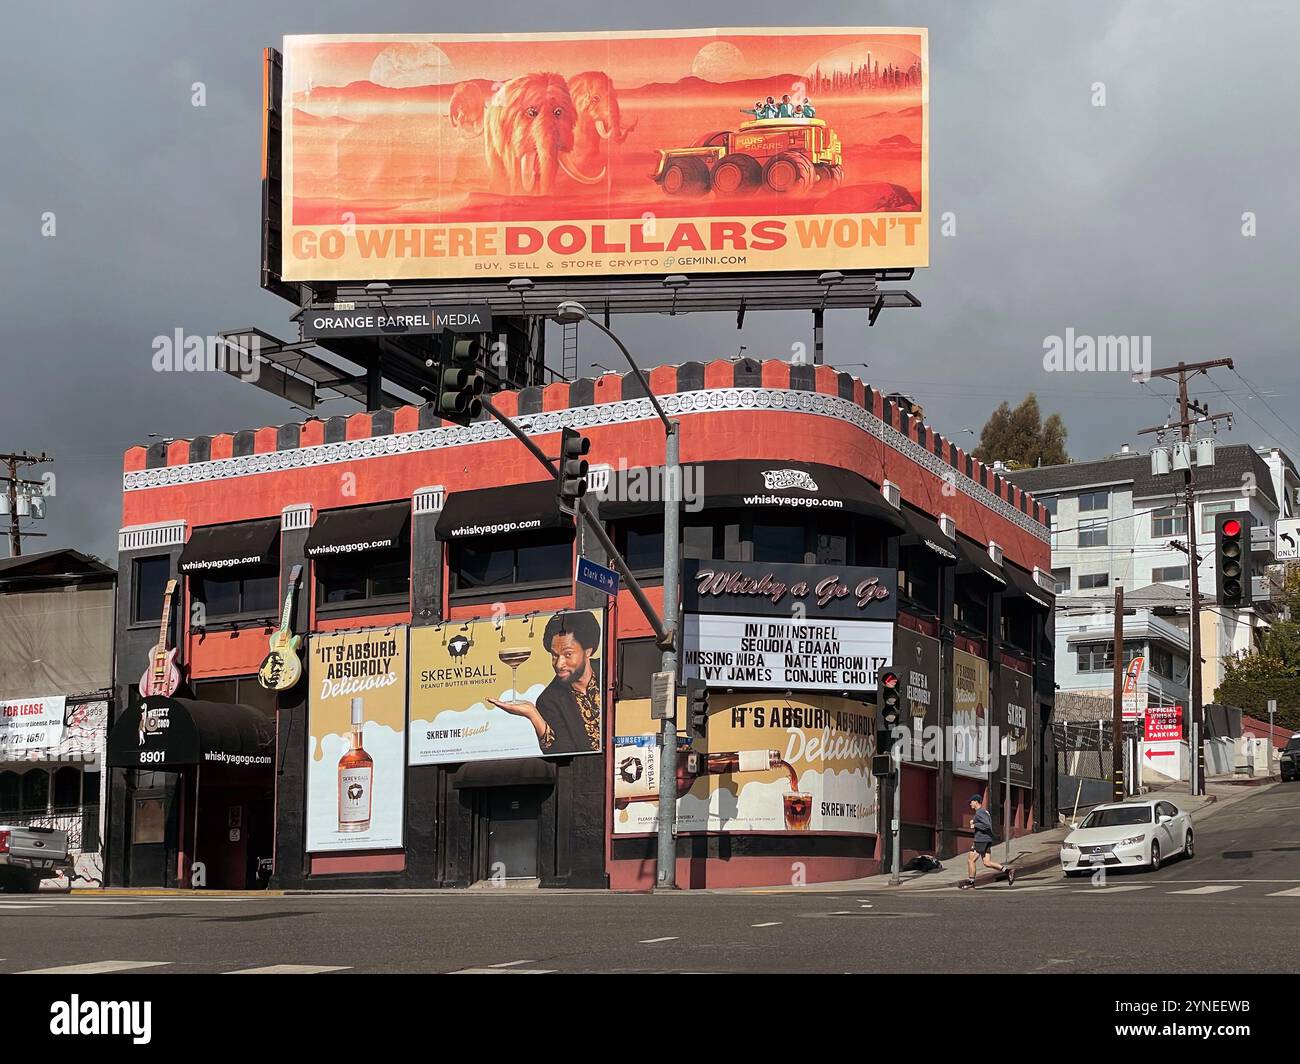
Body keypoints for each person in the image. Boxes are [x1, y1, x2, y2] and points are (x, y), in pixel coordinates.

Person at [488, 611, 602, 755]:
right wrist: (532, 714)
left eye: (568, 654)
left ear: (588, 651)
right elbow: (562, 753)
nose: (559, 664)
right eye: (554, 655)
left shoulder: (609, 670)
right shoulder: (549, 700)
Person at [961, 794, 1015, 889]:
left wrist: (975, 825)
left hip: (981, 840)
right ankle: (1008, 871)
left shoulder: (980, 812)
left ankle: (971, 882)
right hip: (987, 839)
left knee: (971, 860)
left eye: (971, 802)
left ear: (976, 802)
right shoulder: (984, 811)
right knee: (987, 862)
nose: (970, 804)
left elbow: (987, 825)